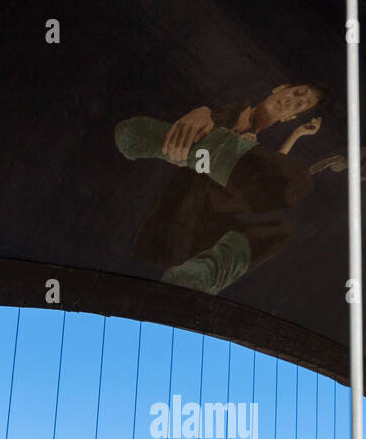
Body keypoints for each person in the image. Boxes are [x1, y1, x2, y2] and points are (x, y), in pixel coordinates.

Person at [115, 84, 326, 295]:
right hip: (190, 209)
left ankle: (198, 276)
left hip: (206, 226)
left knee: (283, 228)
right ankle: (170, 143)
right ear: (279, 88)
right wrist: (205, 116)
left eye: (299, 105)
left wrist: (296, 135)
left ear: (290, 117)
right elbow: (211, 120)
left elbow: (271, 183)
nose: (291, 101)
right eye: (296, 93)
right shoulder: (241, 109)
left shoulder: (253, 152)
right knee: (298, 180)